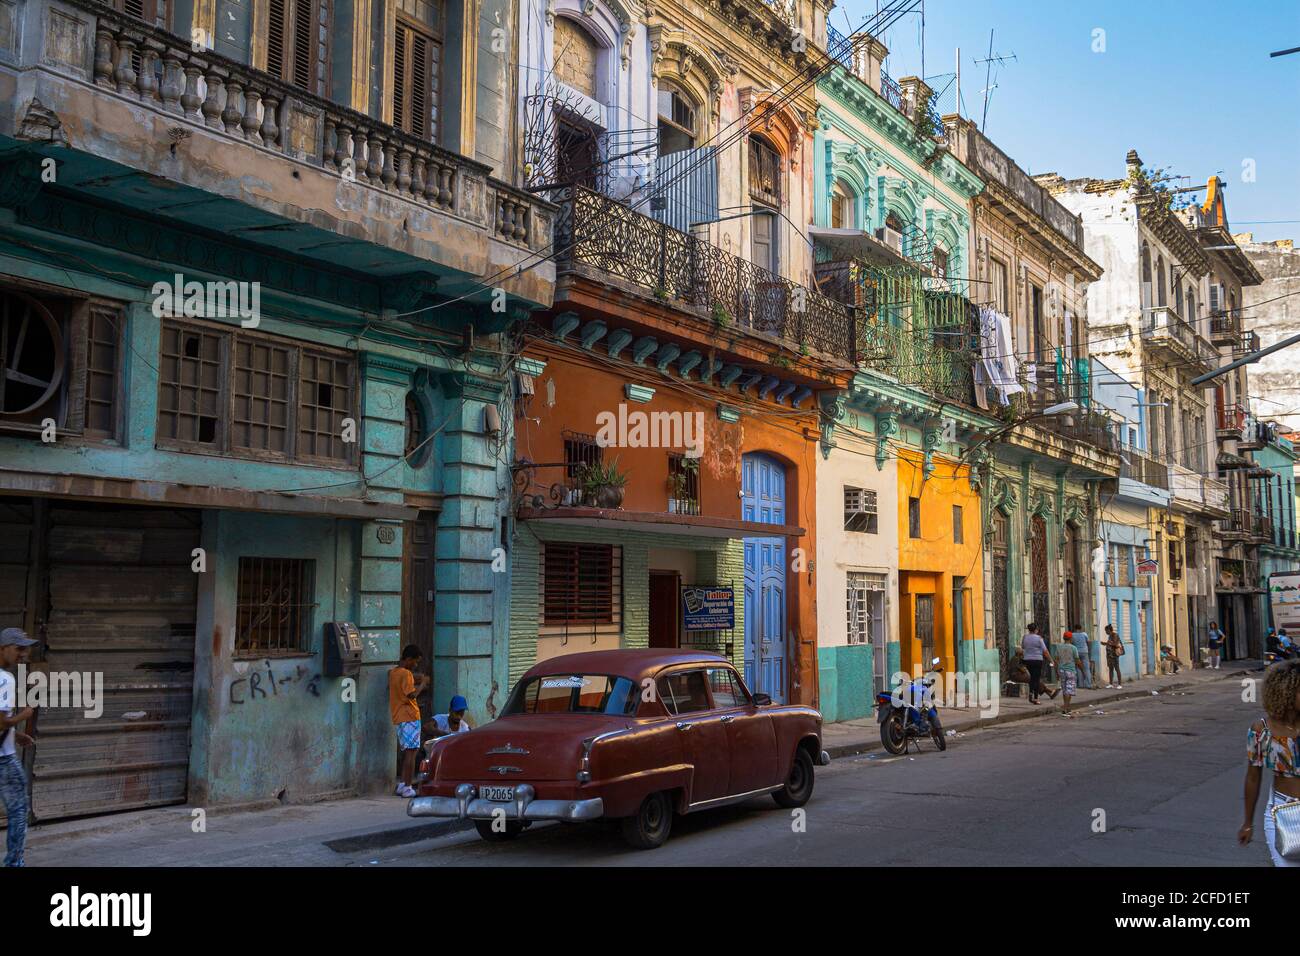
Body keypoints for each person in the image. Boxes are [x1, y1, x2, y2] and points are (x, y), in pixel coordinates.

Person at [1239, 658, 1300, 866]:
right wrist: (1248, 822)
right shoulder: (1261, 731)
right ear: (1286, 693)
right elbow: (1253, 778)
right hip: (1281, 813)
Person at [0, 628, 37, 867]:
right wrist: (23, 715)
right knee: (19, 811)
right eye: (18, 648)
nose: (23, 654)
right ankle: (14, 863)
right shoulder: (4, 679)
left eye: (25, 649)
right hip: (4, 760)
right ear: (3, 648)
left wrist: (15, 733)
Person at [389, 645, 429, 798]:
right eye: (415, 662)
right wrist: (423, 684)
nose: (416, 665)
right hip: (410, 716)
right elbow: (411, 695)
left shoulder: (393, 673)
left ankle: (402, 784)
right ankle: (407, 786)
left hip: (399, 716)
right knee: (411, 754)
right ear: (408, 659)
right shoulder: (406, 674)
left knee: (407, 752)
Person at [1020, 623, 1057, 705]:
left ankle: (1030, 694)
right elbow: (1045, 651)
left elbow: (1023, 646)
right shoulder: (1039, 638)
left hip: (1027, 660)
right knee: (1036, 679)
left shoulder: (1025, 637)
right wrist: (1051, 660)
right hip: (1037, 660)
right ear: (1036, 629)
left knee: (1032, 678)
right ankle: (1036, 698)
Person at [1051, 634, 1081, 716]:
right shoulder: (1073, 648)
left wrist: (1056, 672)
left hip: (1062, 671)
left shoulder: (1059, 647)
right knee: (1069, 690)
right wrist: (1083, 671)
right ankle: (1065, 708)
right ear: (1071, 638)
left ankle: (1067, 707)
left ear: (1064, 638)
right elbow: (1077, 660)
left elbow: (1056, 660)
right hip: (1071, 671)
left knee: (1065, 690)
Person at [1071, 624, 1093, 690]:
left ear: (1075, 628)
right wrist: (1089, 651)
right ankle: (1088, 684)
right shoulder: (1084, 634)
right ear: (1081, 628)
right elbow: (1088, 643)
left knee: (1078, 668)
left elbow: (1071, 643)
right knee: (1086, 668)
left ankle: (1080, 684)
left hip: (1076, 652)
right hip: (1084, 652)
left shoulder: (1072, 635)